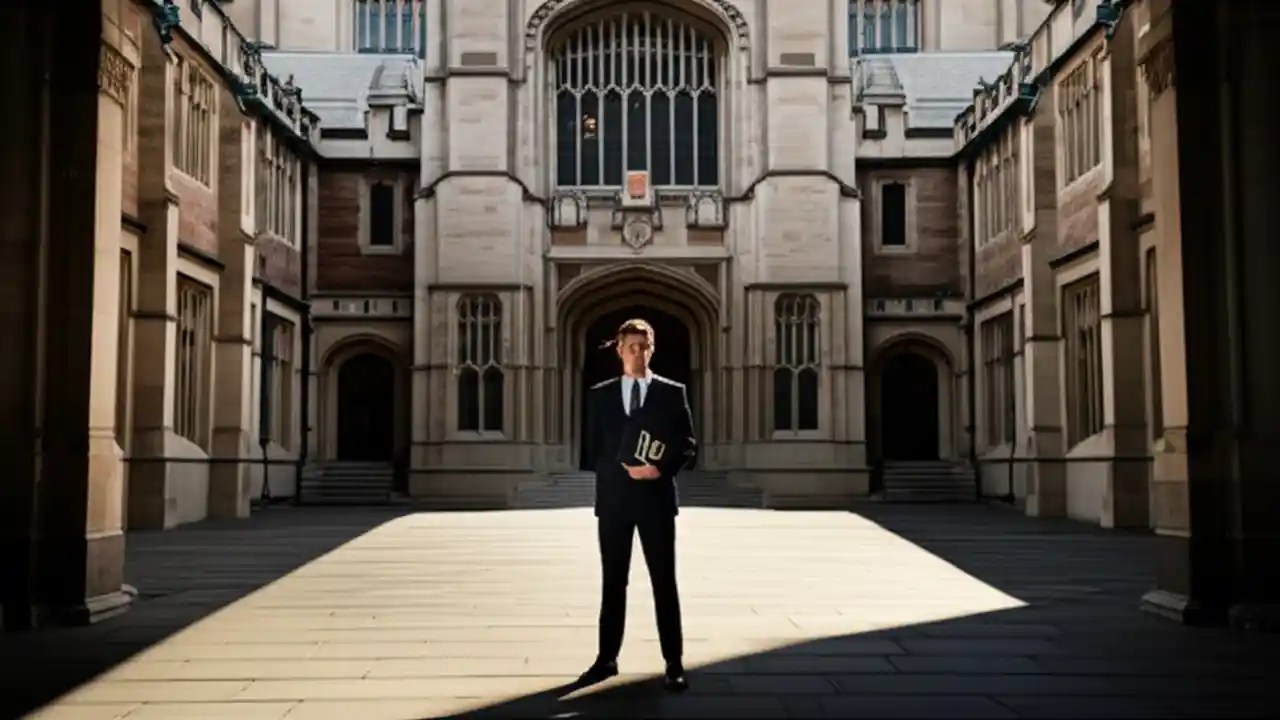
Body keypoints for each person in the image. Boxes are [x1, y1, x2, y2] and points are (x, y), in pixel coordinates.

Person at [576, 318, 696, 693]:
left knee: (664, 582)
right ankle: (606, 659)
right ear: (619, 349)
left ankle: (674, 663)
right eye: (631, 346)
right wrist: (623, 467)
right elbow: (590, 451)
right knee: (613, 583)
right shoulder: (600, 394)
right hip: (613, 502)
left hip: (656, 500)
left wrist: (658, 469)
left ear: (652, 348)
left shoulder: (672, 392)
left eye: (644, 346)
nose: (637, 352)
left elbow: (688, 445)